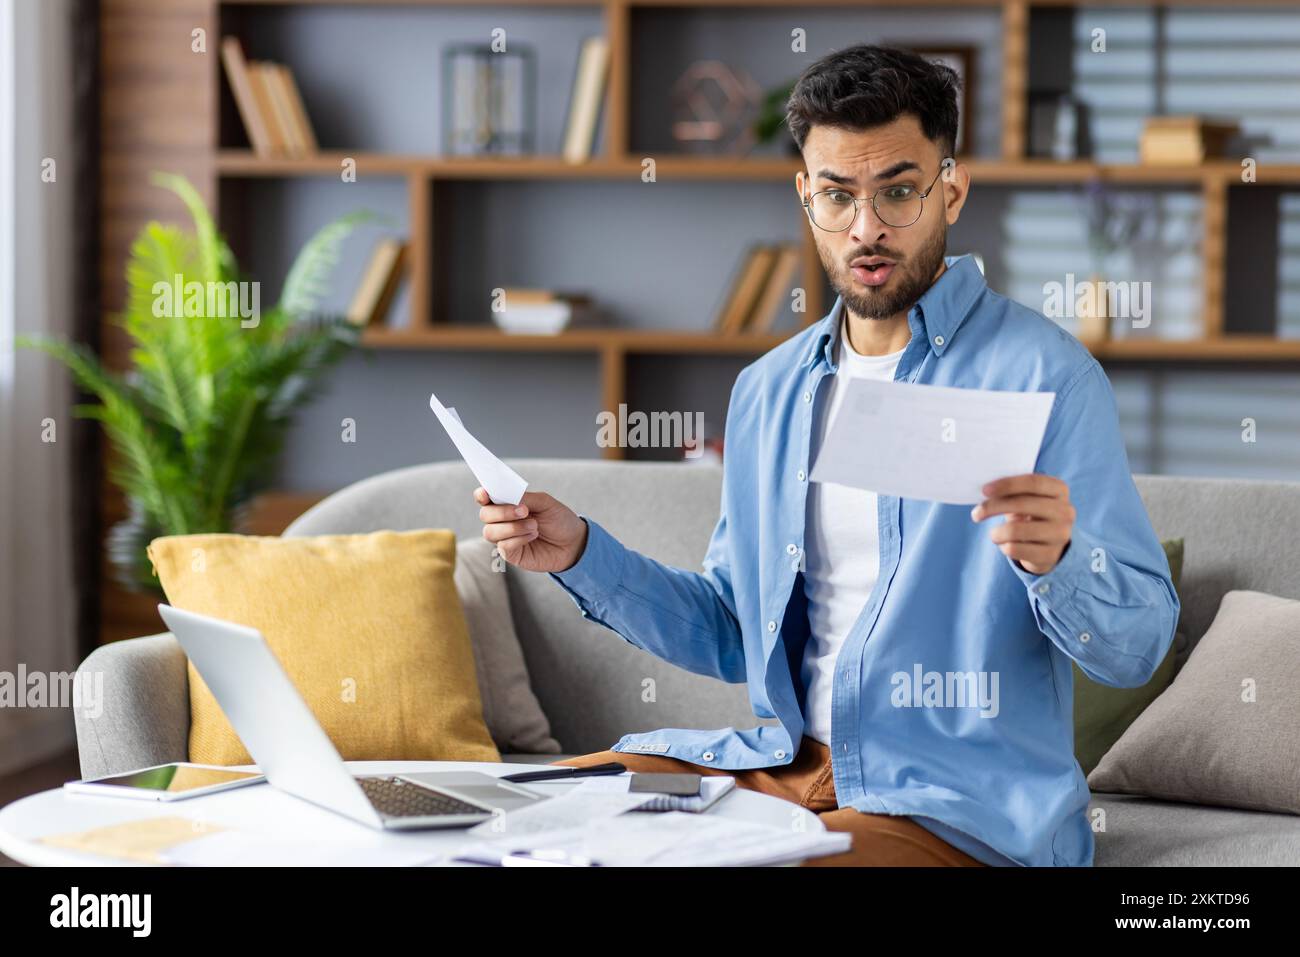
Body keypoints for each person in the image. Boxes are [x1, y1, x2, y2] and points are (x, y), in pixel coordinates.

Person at [474, 44, 1178, 867]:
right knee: (518, 823)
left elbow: (1137, 649)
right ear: (806, 196)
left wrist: (1058, 560)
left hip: (949, 809)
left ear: (951, 187)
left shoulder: (1045, 376)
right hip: (779, 770)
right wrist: (583, 555)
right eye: (838, 196)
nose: (866, 228)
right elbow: (736, 630)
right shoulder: (770, 390)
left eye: (899, 192)